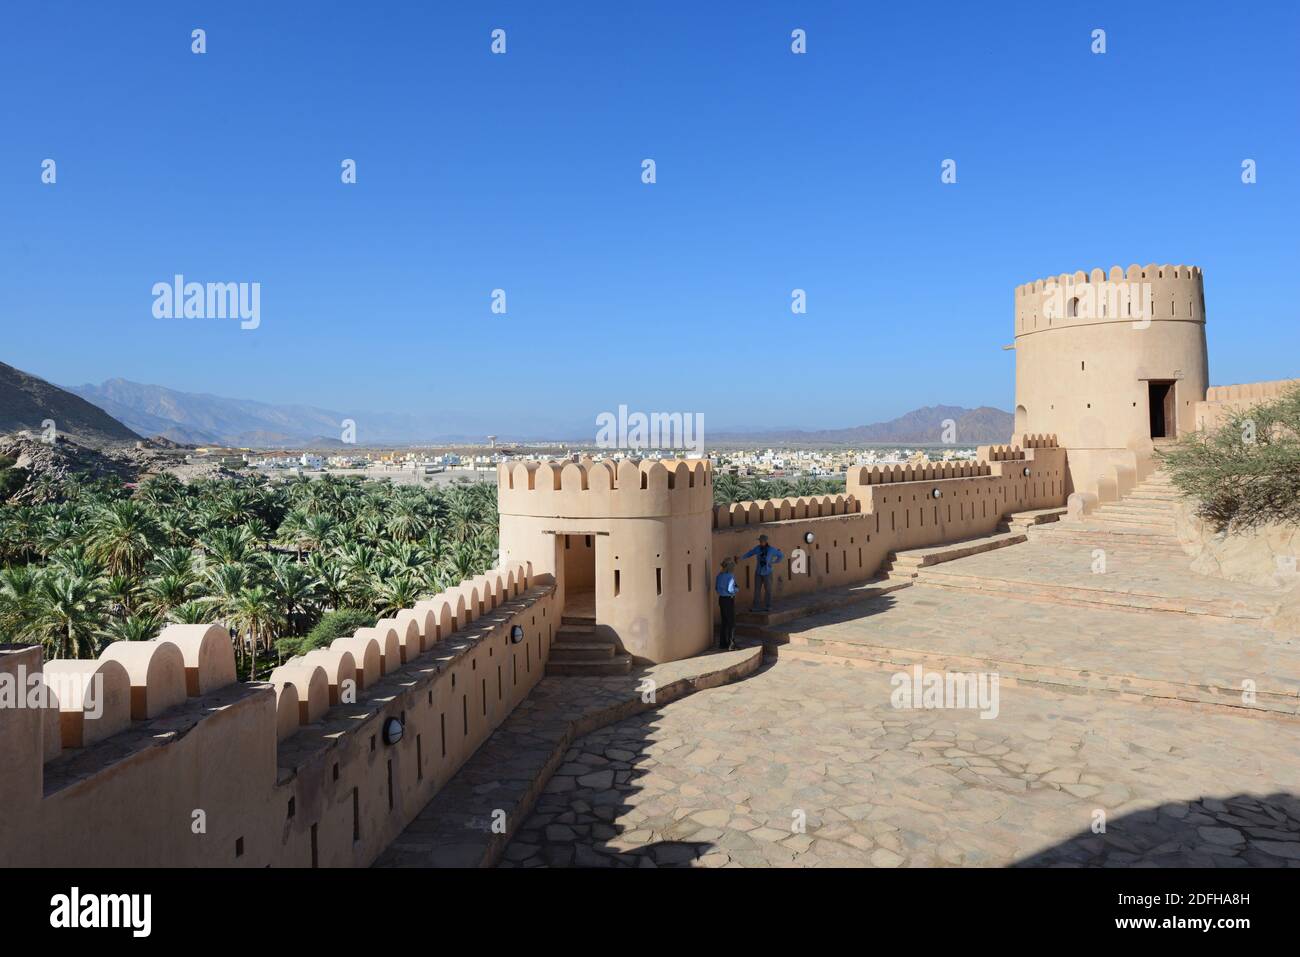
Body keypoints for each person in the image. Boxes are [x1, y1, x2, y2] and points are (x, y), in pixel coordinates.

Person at [737, 533, 784, 613]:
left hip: (767, 572)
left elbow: (781, 555)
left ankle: (768, 606)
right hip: (758, 572)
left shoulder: (771, 549)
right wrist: (741, 557)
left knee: (768, 590)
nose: (760, 542)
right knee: (757, 590)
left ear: (765, 541)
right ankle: (756, 606)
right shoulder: (757, 548)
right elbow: (750, 553)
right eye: (760, 541)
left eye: (762, 541)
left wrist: (773, 562)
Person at [715, 558, 739, 649]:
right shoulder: (730, 576)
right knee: (731, 622)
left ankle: (722, 643)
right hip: (728, 600)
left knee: (724, 621)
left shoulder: (719, 576)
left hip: (721, 599)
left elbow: (716, 588)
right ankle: (732, 645)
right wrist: (737, 589)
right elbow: (731, 589)